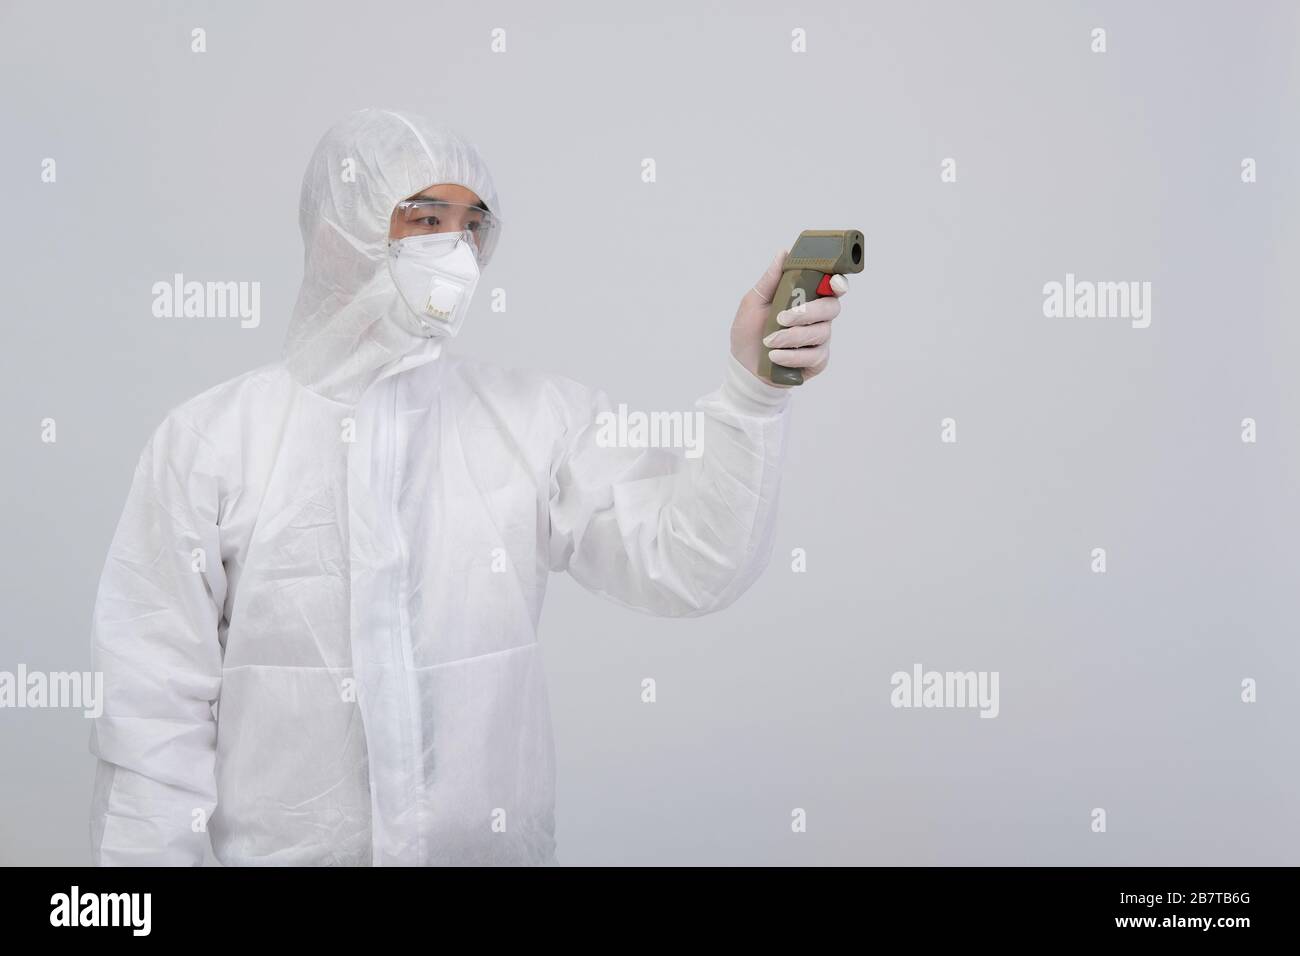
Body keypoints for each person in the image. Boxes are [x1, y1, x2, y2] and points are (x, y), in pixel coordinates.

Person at [88, 107, 849, 866]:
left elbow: (691, 565)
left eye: (471, 224)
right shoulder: (213, 442)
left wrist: (754, 389)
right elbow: (153, 714)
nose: (453, 249)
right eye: (423, 219)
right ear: (338, 232)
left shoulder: (535, 421)